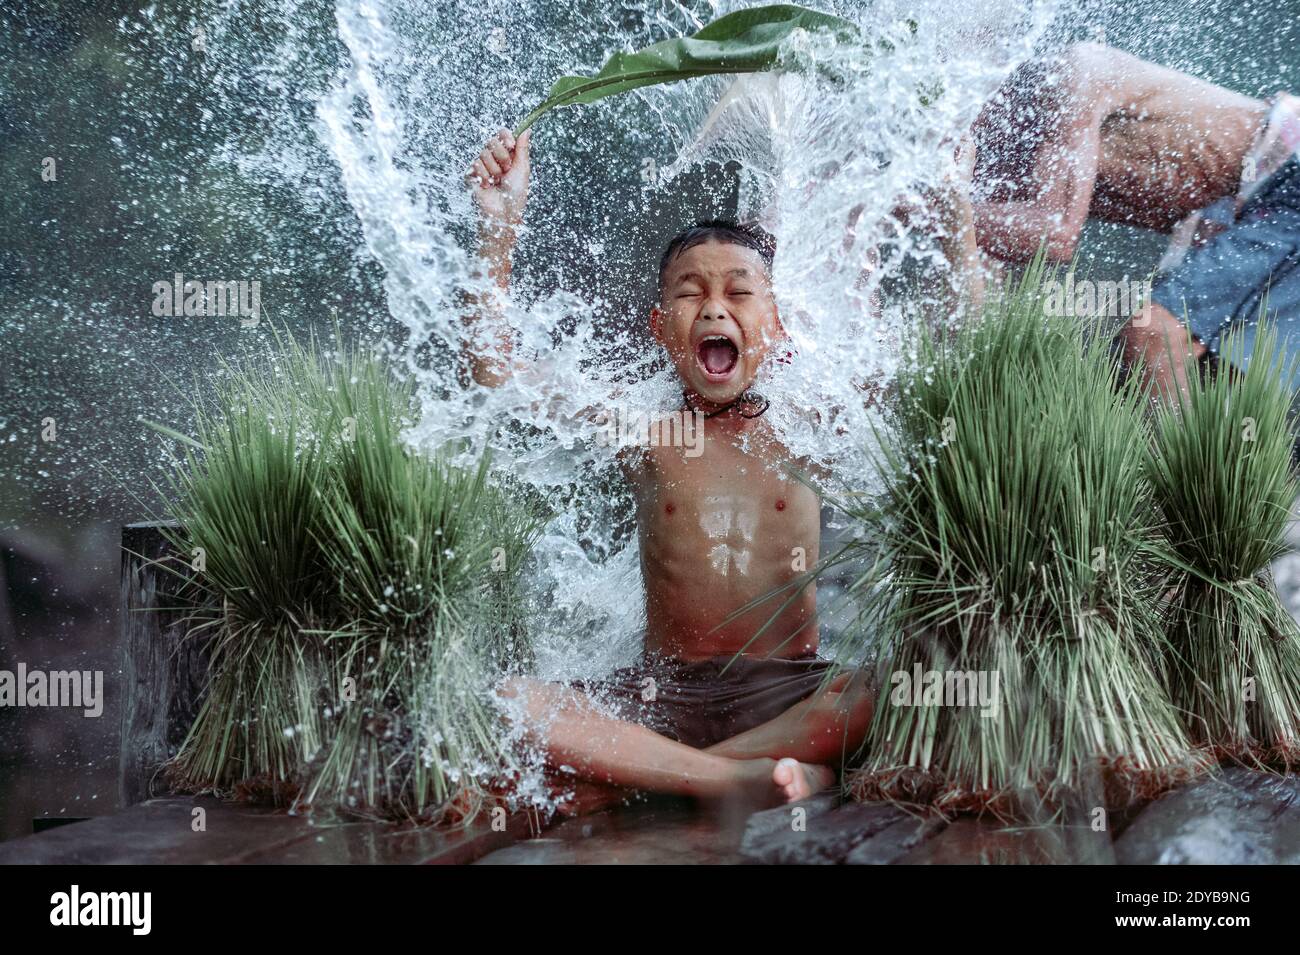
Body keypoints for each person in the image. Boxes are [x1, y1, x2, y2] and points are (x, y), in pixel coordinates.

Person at [463, 126, 979, 814]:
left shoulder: (808, 429)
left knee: (895, 685)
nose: (713, 305)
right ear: (658, 326)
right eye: (690, 293)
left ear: (777, 324)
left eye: (739, 292)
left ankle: (650, 774)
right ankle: (751, 776)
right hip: (662, 693)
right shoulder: (644, 433)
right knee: (509, 700)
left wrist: (957, 216)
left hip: (787, 690)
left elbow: (960, 363)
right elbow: (495, 371)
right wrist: (498, 228)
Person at [972, 42, 1300, 400]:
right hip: (1256, 197)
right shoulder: (992, 176)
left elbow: (1054, 236)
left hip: (1285, 178)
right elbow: (976, 303)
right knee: (1218, 382)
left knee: (1159, 337)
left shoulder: (1075, 73)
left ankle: (1184, 456)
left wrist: (908, 204)